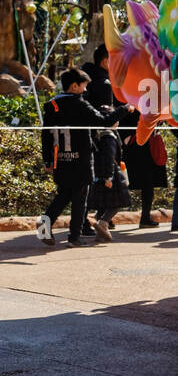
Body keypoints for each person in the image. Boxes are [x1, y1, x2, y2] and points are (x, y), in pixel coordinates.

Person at [37, 68, 109, 247]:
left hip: (61, 158)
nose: (85, 90)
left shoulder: (52, 104)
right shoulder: (81, 104)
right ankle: (74, 237)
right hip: (81, 159)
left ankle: (45, 221)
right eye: (83, 86)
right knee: (80, 199)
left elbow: (46, 135)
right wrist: (124, 109)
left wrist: (47, 159)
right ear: (74, 86)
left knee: (65, 193)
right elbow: (102, 122)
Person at [116, 105, 167, 227]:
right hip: (134, 144)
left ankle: (145, 217)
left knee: (148, 183)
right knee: (122, 181)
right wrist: (126, 138)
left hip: (149, 144)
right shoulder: (132, 101)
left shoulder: (156, 101)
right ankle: (105, 217)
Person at [88, 112, 130, 242]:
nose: (118, 122)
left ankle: (100, 233)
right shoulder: (109, 136)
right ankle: (104, 223)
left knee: (103, 203)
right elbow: (110, 156)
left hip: (98, 172)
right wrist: (109, 177)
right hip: (110, 172)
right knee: (119, 201)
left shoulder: (97, 133)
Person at [85, 42, 114, 111]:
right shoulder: (104, 84)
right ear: (105, 62)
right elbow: (106, 116)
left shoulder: (84, 76)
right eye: (116, 60)